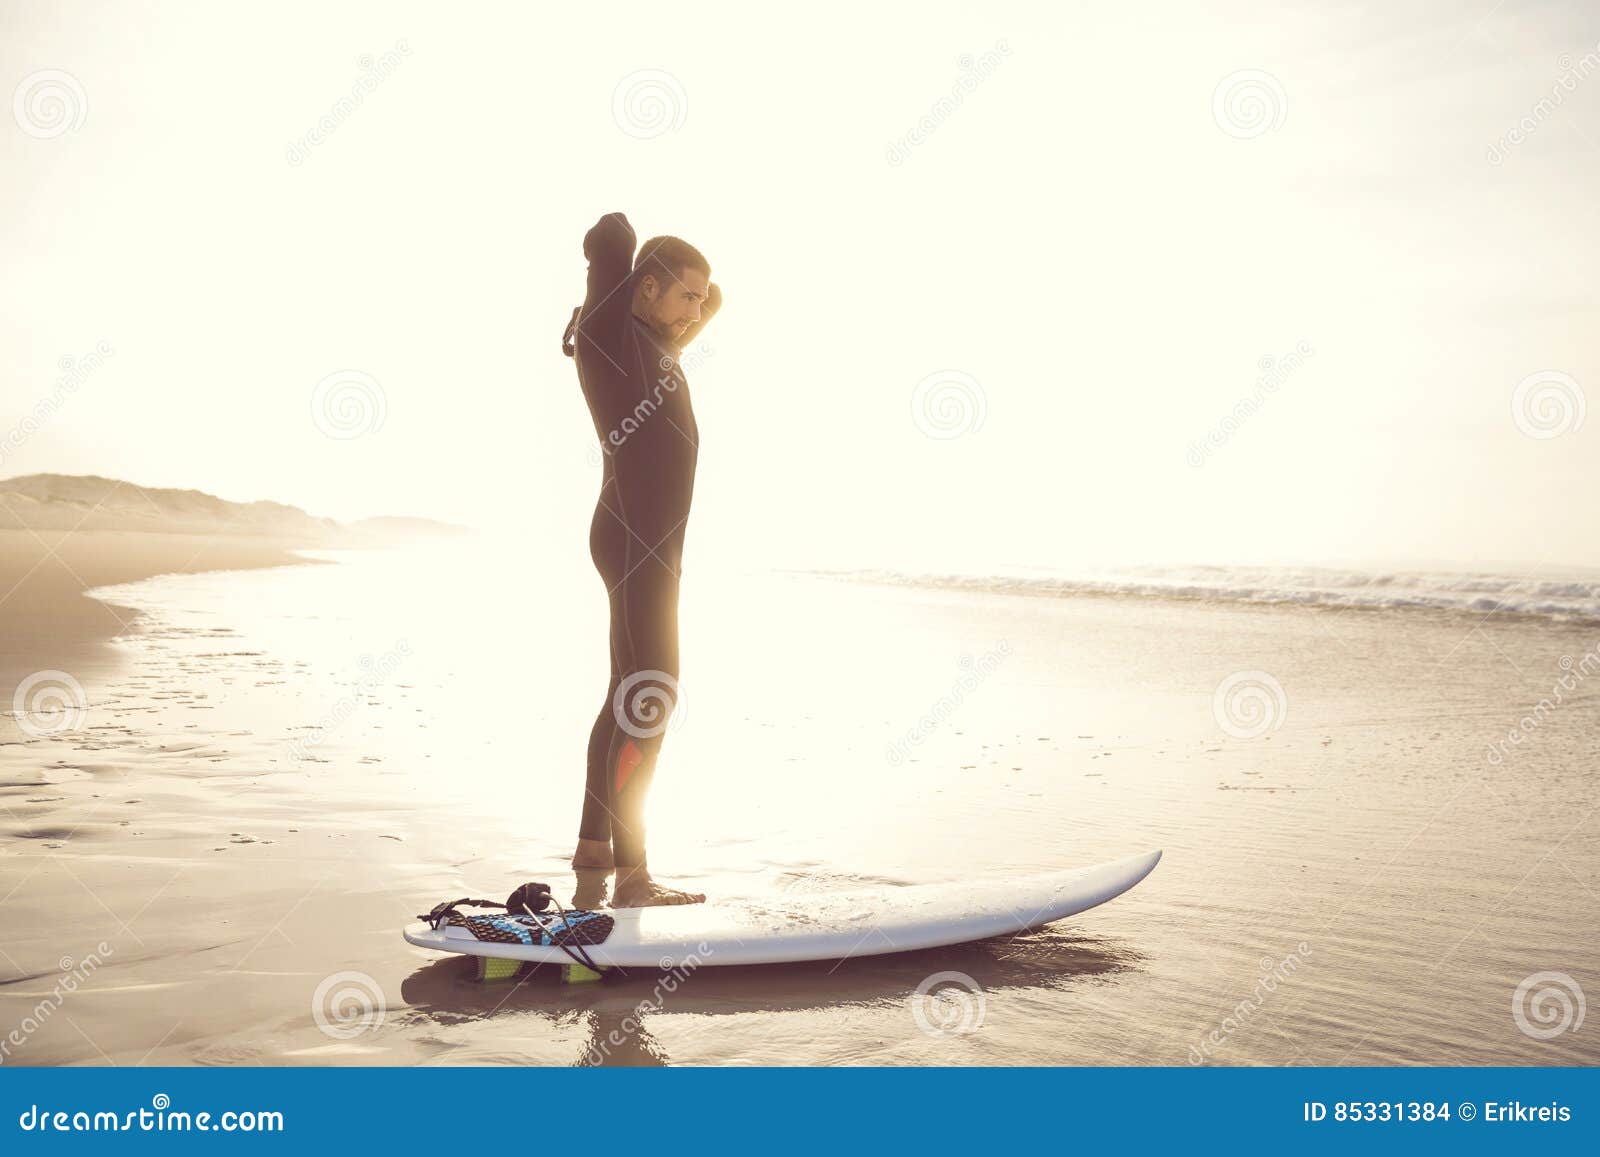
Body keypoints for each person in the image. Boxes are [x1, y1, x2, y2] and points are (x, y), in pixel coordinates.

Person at [561, 211, 721, 908]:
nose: (697, 311)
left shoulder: (660, 343)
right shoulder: (611, 342)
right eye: (683, 295)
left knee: (629, 691)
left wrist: (682, 293)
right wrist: (616, 288)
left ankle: (595, 848)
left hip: (643, 540)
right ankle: (634, 875)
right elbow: (614, 232)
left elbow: (717, 299)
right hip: (636, 540)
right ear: (645, 288)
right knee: (652, 693)